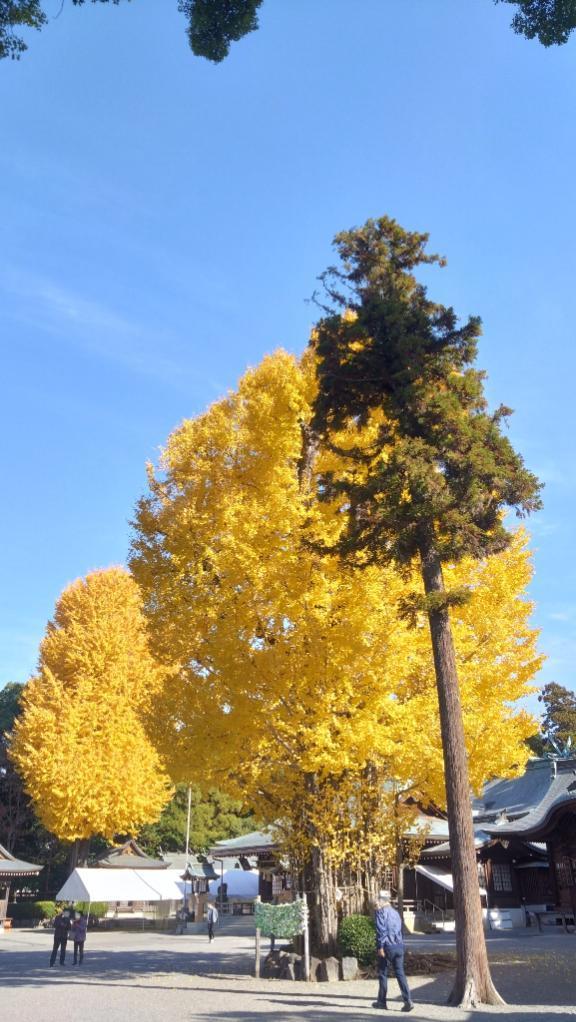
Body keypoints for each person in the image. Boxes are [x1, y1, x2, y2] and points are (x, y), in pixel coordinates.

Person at [373, 890, 413, 1012]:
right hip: (399, 946)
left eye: (378, 899)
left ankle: (381, 1002)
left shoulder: (381, 912)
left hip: (387, 946)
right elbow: (400, 930)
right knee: (400, 973)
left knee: (383, 973)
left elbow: (381, 931)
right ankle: (408, 1000)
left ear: (381, 900)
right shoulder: (396, 913)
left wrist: (380, 947)